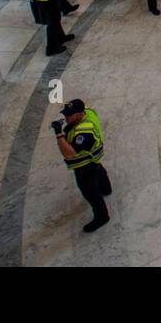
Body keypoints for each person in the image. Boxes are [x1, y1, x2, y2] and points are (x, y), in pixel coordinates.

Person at [51, 99, 112, 232]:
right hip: (94, 157)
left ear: (79, 114)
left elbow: (69, 154)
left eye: (69, 115)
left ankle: (102, 217)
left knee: (91, 193)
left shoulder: (84, 133)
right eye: (65, 114)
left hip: (85, 166)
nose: (66, 117)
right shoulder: (89, 113)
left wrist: (59, 134)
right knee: (99, 170)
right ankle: (106, 188)